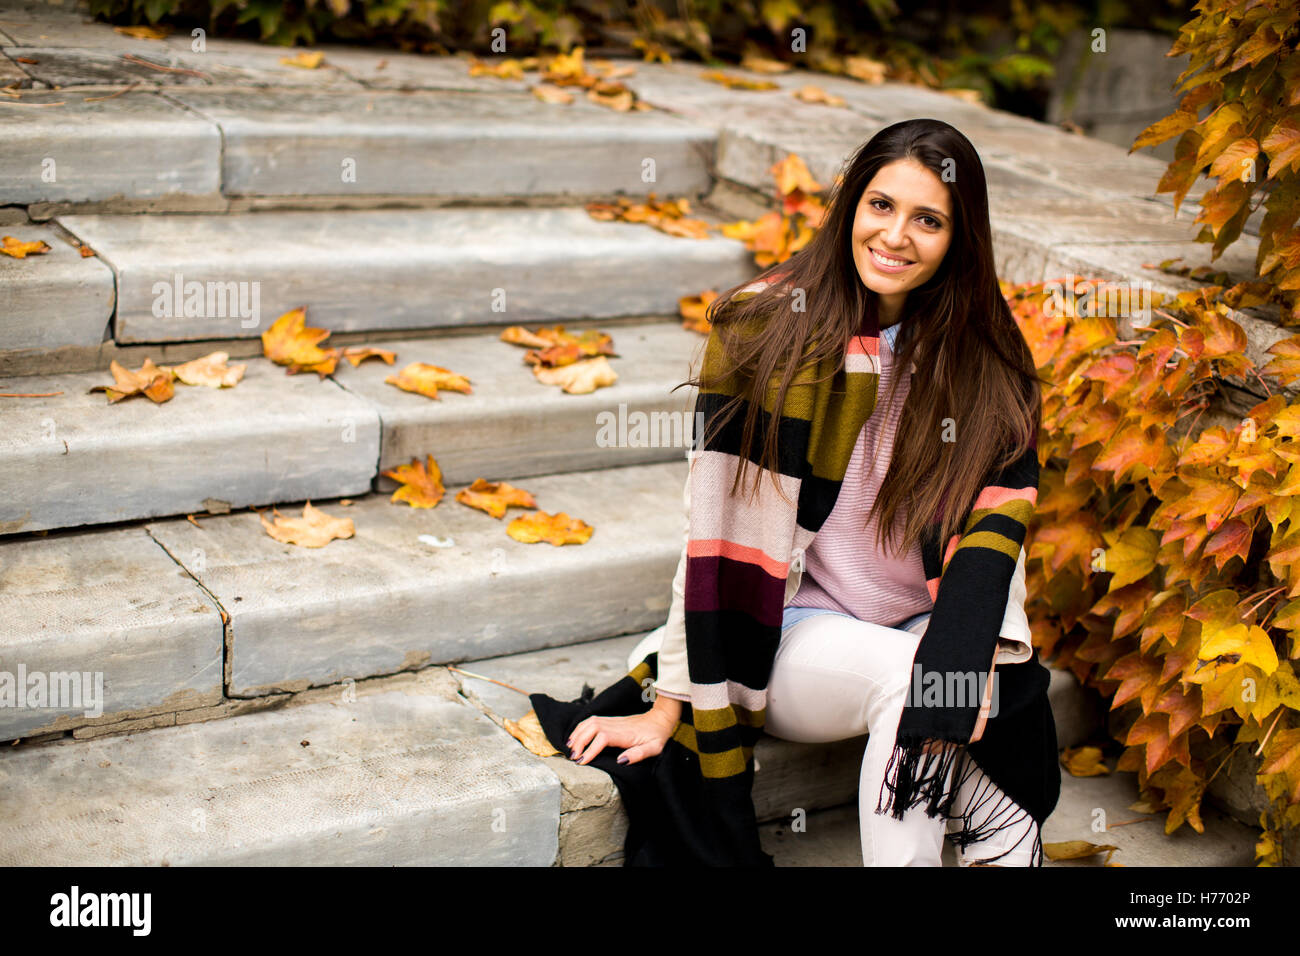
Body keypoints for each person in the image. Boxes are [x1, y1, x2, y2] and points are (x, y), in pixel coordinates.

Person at [543, 118, 1059, 866]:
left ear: (960, 239)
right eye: (881, 206)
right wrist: (669, 705)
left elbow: (991, 543)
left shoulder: (985, 363)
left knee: (1000, 809)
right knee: (925, 687)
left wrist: (968, 651)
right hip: (789, 632)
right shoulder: (767, 333)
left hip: (923, 619)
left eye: (929, 219)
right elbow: (714, 537)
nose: (896, 235)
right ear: (850, 204)